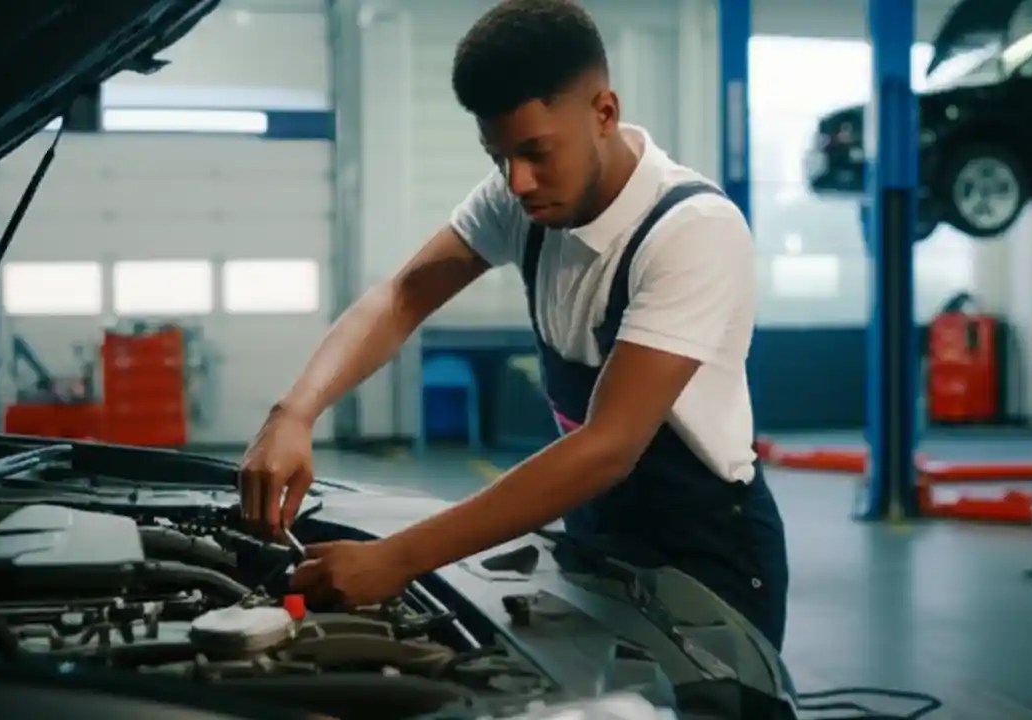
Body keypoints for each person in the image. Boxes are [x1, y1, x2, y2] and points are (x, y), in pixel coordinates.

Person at [238, 0, 789, 650]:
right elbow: (402, 298)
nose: (517, 182)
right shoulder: (519, 198)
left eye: (535, 152)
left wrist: (398, 558)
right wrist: (295, 411)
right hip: (593, 525)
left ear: (604, 112)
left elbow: (609, 443)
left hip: (706, 556)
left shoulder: (691, 232)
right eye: (498, 156)